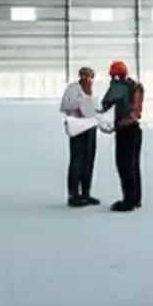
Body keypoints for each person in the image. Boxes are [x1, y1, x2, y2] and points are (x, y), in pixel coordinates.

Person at [101, 61, 144, 212]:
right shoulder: (135, 85)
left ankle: (128, 201)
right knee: (134, 165)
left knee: (124, 165)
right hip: (136, 129)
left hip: (124, 129)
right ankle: (136, 198)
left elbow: (106, 102)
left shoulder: (119, 86)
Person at [59, 67, 101, 207]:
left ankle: (86, 193)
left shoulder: (93, 89)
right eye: (85, 76)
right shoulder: (72, 89)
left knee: (89, 160)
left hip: (90, 127)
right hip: (78, 127)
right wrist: (81, 102)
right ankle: (73, 194)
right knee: (77, 160)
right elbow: (64, 105)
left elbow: (96, 107)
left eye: (90, 76)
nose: (88, 79)